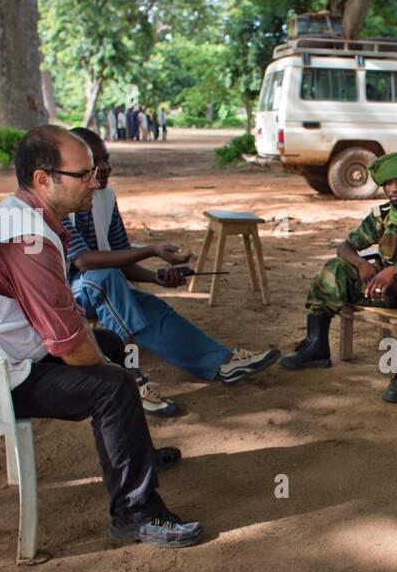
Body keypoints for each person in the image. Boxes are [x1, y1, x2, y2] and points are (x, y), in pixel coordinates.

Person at [0, 125, 203, 548]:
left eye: (96, 173)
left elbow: (55, 318)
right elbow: (67, 344)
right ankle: (136, 514)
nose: (97, 183)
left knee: (112, 348)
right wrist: (99, 363)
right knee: (112, 386)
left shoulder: (19, 216)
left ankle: (133, 456)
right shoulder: (25, 237)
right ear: (45, 179)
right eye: (85, 175)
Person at [61, 127, 279, 397]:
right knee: (107, 279)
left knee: (153, 309)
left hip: (104, 290)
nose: (105, 168)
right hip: (64, 298)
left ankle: (222, 363)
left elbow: (121, 256)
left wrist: (155, 277)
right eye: (96, 162)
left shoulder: (106, 197)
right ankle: (131, 378)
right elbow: (84, 261)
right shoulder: (58, 200)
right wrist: (151, 249)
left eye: (107, 160)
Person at [279, 150, 397, 403]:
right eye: (388, 183)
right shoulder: (382, 214)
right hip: (384, 289)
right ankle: (316, 346)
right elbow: (345, 247)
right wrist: (362, 266)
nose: (393, 188)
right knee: (335, 268)